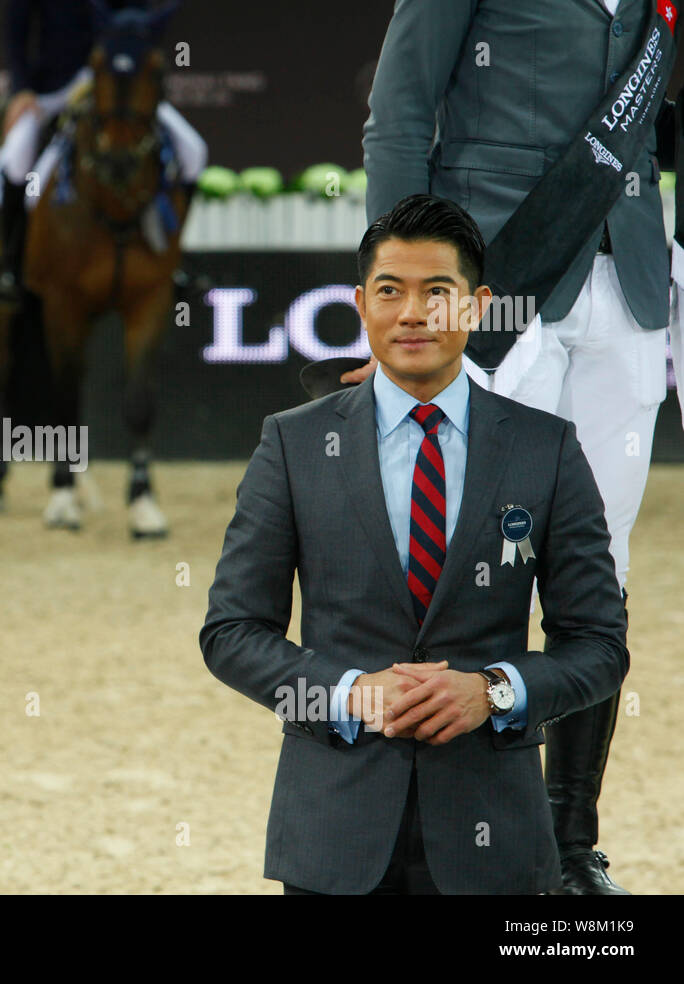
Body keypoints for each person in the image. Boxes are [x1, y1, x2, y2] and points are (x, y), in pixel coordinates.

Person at [200, 195, 629, 895]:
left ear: (479, 305)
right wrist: (346, 694)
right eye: (390, 291)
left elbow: (599, 644)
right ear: (361, 304)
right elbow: (231, 632)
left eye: (439, 291)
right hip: (334, 838)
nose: (413, 313)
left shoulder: (545, 448)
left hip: (496, 839)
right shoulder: (292, 443)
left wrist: (494, 692)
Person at [348, 0, 676, 893]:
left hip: (631, 283)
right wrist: (401, 283)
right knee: (463, 567)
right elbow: (401, 111)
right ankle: (448, 837)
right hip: (500, 277)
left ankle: (569, 849)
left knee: (597, 574)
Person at [0, 0, 207, 302]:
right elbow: (15, 32)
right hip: (55, 88)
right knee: (17, 160)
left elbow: (138, 21)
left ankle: (175, 258)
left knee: (193, 151)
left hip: (117, 89)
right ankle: (13, 265)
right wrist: (22, 88)